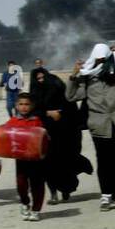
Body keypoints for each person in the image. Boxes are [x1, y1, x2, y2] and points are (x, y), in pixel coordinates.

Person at [68, 43, 115, 211]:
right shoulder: (88, 78)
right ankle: (107, 195)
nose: (101, 62)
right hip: (99, 126)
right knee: (104, 161)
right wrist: (74, 75)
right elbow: (71, 96)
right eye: (98, 59)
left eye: (105, 59)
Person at [29, 64, 87, 204]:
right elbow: (32, 112)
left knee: (65, 163)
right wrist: (47, 113)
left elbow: (71, 106)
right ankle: (53, 193)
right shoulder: (35, 94)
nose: (41, 80)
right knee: (48, 165)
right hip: (46, 136)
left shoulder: (58, 88)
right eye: (38, 78)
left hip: (65, 134)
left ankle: (65, 190)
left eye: (43, 77)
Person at [11, 92, 47, 222]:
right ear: (16, 106)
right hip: (21, 159)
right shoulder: (13, 121)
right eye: (21, 104)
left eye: (27, 104)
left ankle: (36, 210)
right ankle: (25, 203)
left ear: (32, 106)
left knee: (37, 184)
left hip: (35, 160)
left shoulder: (37, 121)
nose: (24, 107)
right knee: (21, 185)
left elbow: (42, 138)